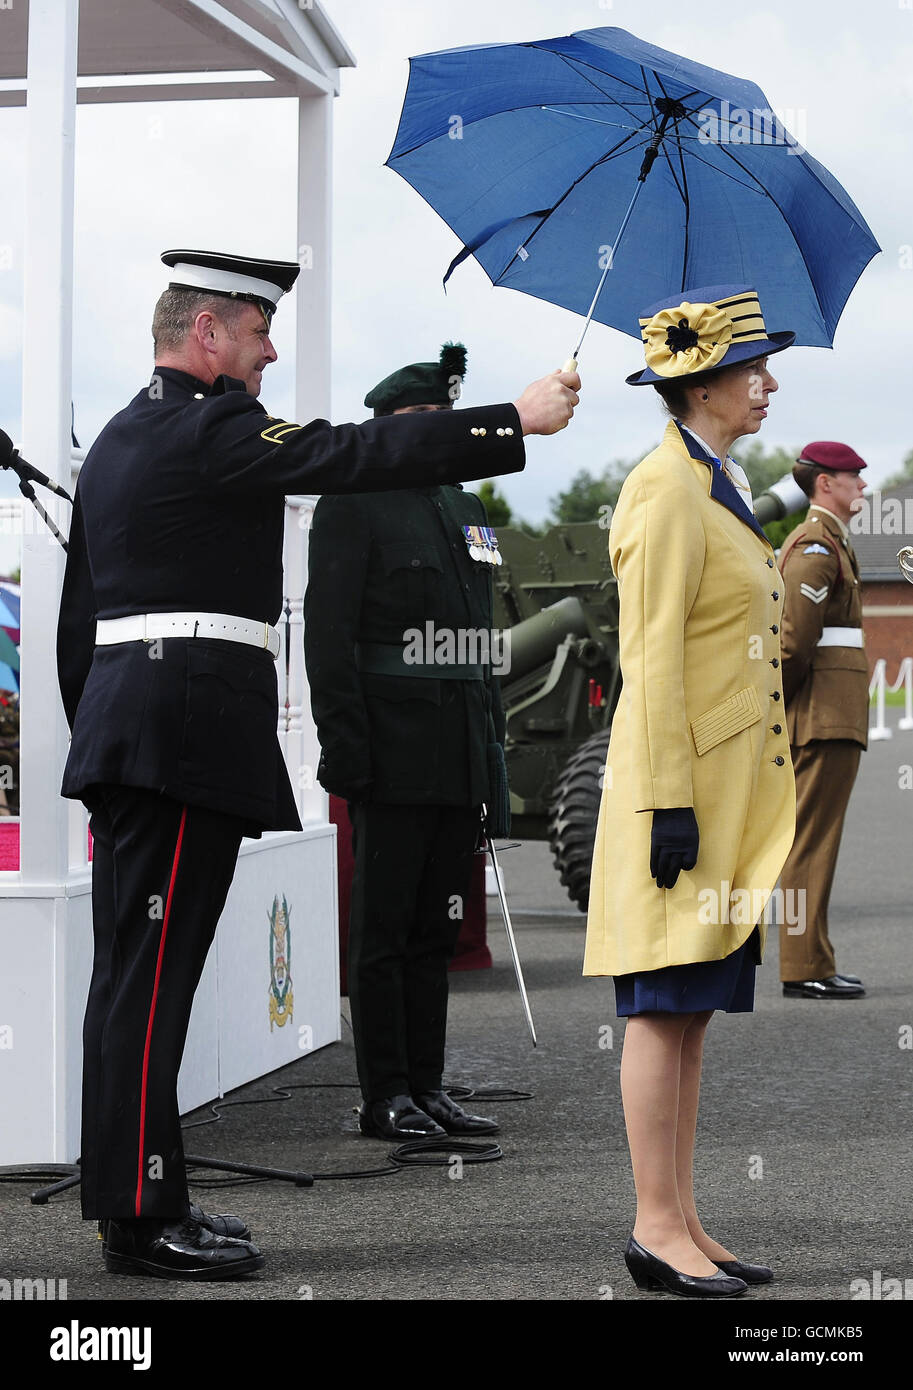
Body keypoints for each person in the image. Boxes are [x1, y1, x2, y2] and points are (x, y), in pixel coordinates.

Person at [56, 248, 580, 1280]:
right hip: (179, 739)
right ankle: (141, 1214)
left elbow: (79, 623)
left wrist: (102, 739)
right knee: (152, 987)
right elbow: (347, 453)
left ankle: (143, 1201)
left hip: (137, 735)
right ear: (207, 333)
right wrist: (507, 421)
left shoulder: (122, 437)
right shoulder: (211, 426)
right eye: (256, 334)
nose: (270, 351)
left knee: (136, 984)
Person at [583, 285, 797, 1297]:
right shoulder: (664, 489)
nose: (767, 383)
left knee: (693, 1010)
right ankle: (652, 1224)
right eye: (752, 369)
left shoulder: (713, 479)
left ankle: (680, 1217)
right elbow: (650, 656)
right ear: (701, 384)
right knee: (661, 1009)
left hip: (721, 800)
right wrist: (667, 799)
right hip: (682, 800)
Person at [304, 343, 505, 1141]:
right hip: (389, 749)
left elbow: (481, 641)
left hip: (456, 751)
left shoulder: (465, 508)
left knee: (437, 929)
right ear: (386, 428)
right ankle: (382, 1093)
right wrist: (346, 751)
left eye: (444, 422)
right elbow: (329, 639)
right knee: (383, 932)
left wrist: (489, 754)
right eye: (424, 422)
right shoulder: (352, 503)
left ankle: (428, 1085)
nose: (440, 433)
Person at [777, 442, 869, 999]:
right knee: (810, 843)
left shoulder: (832, 540)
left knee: (817, 842)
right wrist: (780, 709)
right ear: (824, 484)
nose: (861, 486)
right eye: (852, 477)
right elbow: (793, 642)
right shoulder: (814, 544)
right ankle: (803, 965)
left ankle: (815, 958)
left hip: (832, 716)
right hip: (819, 716)